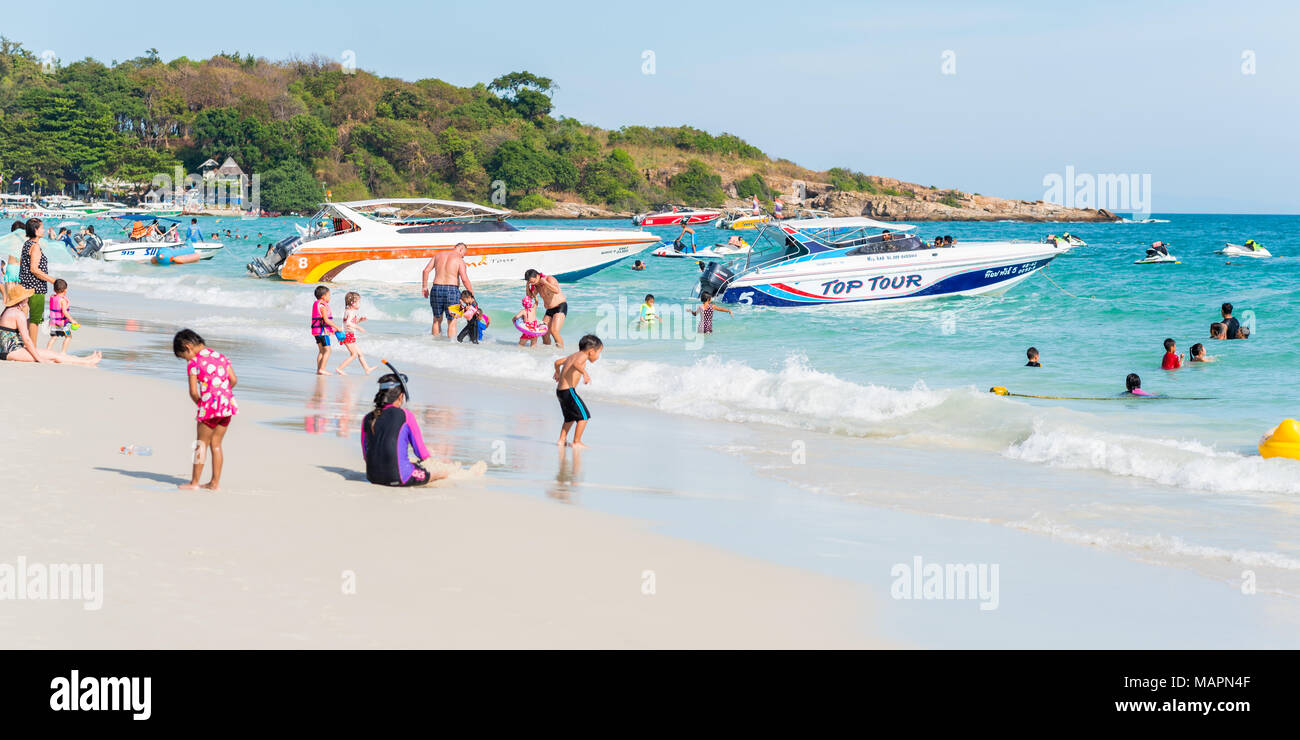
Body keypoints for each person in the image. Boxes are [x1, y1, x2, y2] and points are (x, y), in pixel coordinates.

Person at [174, 329, 237, 491]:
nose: (186, 360)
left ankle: (194, 482)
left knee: (201, 445)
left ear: (188, 347)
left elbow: (193, 392)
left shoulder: (194, 363)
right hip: (226, 406)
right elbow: (233, 380)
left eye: (184, 356)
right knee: (216, 445)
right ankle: (214, 483)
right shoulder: (221, 357)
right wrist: (222, 394)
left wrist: (202, 404)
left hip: (209, 407)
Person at [361, 371, 446, 486]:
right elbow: (421, 453)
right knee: (438, 472)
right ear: (401, 396)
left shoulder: (367, 418)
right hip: (400, 477)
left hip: (372, 477)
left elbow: (366, 456)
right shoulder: (406, 415)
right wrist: (432, 463)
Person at [0, 283, 101, 365]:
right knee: (53, 355)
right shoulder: (18, 314)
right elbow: (26, 339)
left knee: (51, 354)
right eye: (27, 297)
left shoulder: (8, 311)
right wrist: (39, 359)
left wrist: (32, 319)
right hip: (11, 351)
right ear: (22, 299)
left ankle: (85, 359)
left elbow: (12, 329)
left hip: (6, 350)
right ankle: (87, 362)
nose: (28, 298)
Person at [553, 334, 603, 448]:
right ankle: (577, 441)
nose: (598, 356)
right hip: (569, 391)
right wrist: (585, 373)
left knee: (569, 418)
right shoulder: (583, 356)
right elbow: (577, 364)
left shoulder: (573, 355)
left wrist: (557, 372)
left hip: (561, 391)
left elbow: (557, 362)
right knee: (584, 416)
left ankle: (562, 440)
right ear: (591, 351)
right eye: (599, 352)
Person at [421, 242, 474, 339]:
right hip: (452, 290)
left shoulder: (438, 255)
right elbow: (464, 279)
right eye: (464, 254)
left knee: (436, 319)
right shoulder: (459, 260)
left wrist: (424, 287)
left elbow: (425, 271)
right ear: (461, 249)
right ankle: (452, 345)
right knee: (452, 320)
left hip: (436, 288)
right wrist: (471, 294)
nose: (463, 257)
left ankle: (435, 342)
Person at [18, 218, 53, 343]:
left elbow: (24, 265)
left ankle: (23, 341)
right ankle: (31, 347)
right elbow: (34, 269)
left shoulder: (27, 243)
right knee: (35, 319)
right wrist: (53, 280)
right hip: (36, 288)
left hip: (25, 285)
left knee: (27, 317)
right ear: (36, 230)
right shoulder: (35, 246)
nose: (44, 230)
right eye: (42, 228)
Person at [525, 268, 568, 349]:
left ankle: (561, 352)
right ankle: (547, 352)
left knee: (554, 331)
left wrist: (545, 283)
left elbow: (556, 290)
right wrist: (527, 286)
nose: (533, 283)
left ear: (538, 276)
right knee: (544, 332)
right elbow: (530, 297)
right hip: (549, 310)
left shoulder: (549, 279)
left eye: (534, 281)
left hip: (560, 306)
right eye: (531, 282)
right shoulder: (536, 286)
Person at [336, 291, 377, 375]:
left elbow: (350, 323)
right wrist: (359, 327)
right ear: (353, 303)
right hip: (348, 336)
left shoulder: (347, 311)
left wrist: (359, 320)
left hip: (348, 335)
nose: (359, 304)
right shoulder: (351, 312)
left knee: (360, 353)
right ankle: (340, 368)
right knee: (354, 354)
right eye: (358, 302)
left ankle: (367, 369)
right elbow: (348, 323)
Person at [311, 285, 344, 375]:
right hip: (322, 332)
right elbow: (326, 320)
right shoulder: (323, 306)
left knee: (321, 351)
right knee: (328, 350)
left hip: (316, 332)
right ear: (323, 296)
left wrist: (332, 330)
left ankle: (319, 370)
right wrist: (337, 327)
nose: (330, 297)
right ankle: (322, 368)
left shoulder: (318, 304)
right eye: (329, 295)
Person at [45, 278, 76, 353]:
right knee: (68, 336)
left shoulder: (52, 298)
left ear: (54, 290)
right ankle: (63, 352)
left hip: (53, 324)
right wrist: (72, 320)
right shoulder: (62, 301)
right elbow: (65, 312)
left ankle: (47, 351)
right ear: (65, 290)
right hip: (63, 326)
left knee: (54, 337)